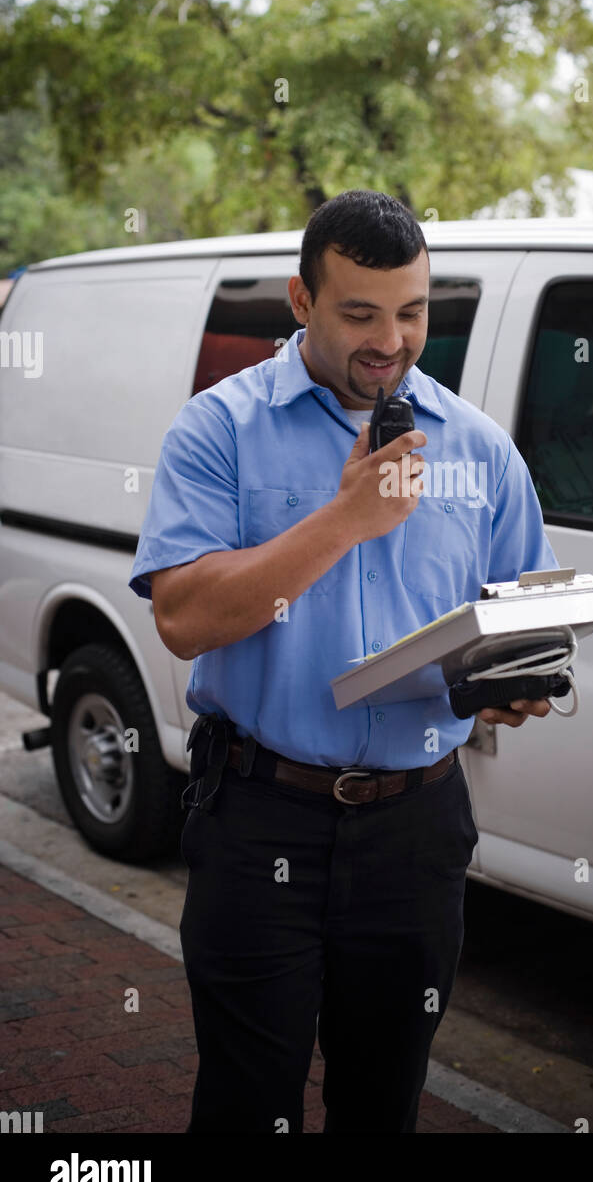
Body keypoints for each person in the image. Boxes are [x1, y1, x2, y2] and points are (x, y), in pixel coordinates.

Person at [128, 189, 560, 1134]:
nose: (391, 340)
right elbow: (184, 617)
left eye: (412, 312)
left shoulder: (482, 449)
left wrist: (510, 684)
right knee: (247, 1103)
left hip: (418, 832)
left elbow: (520, 611)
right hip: (260, 819)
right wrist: (345, 519)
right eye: (360, 313)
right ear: (300, 300)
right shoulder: (217, 429)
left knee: (384, 1103)